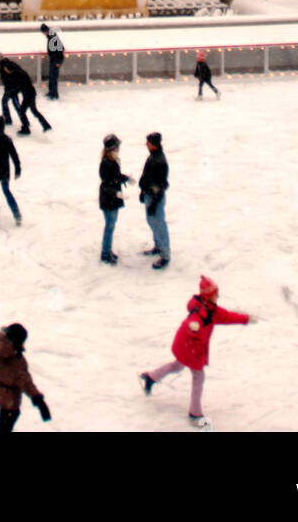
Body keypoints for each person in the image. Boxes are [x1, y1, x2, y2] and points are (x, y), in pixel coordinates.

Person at [140, 275, 256, 428]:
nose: (218, 296)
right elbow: (192, 323)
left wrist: (245, 319)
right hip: (190, 348)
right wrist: (193, 329)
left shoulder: (212, 311)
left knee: (177, 366)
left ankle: (150, 377)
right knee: (198, 377)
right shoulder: (200, 313)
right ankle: (195, 413)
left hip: (187, 346)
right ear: (208, 297)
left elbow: (227, 316)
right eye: (216, 294)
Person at [0, 323, 51, 433]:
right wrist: (39, 401)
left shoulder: (0, 352)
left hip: (0, 394)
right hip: (10, 402)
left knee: (3, 423)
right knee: (6, 425)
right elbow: (26, 383)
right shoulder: (17, 362)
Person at [99, 134, 133, 264]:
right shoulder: (107, 163)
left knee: (110, 225)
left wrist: (125, 178)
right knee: (110, 225)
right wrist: (116, 194)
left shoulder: (111, 160)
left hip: (110, 198)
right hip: (109, 199)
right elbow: (107, 181)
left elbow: (115, 176)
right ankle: (105, 253)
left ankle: (107, 250)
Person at [0, 56, 51, 135]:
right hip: (30, 93)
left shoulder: (18, 75)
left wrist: (12, 92)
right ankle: (45, 125)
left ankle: (27, 128)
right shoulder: (19, 72)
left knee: (25, 111)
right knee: (32, 111)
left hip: (28, 94)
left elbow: (19, 86)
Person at [139, 132, 170, 269]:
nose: (146, 144)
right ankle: (158, 246)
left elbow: (160, 185)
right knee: (152, 222)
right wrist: (143, 191)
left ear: (154, 144)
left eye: (148, 142)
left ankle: (165, 255)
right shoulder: (153, 157)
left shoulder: (160, 161)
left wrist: (154, 202)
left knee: (159, 225)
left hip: (154, 198)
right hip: (149, 195)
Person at [40, 23, 65, 100]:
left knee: (53, 78)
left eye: (43, 32)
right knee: (51, 77)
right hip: (53, 59)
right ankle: (51, 92)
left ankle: (54, 94)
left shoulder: (53, 37)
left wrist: (58, 62)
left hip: (56, 60)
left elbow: (61, 49)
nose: (43, 34)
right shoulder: (50, 37)